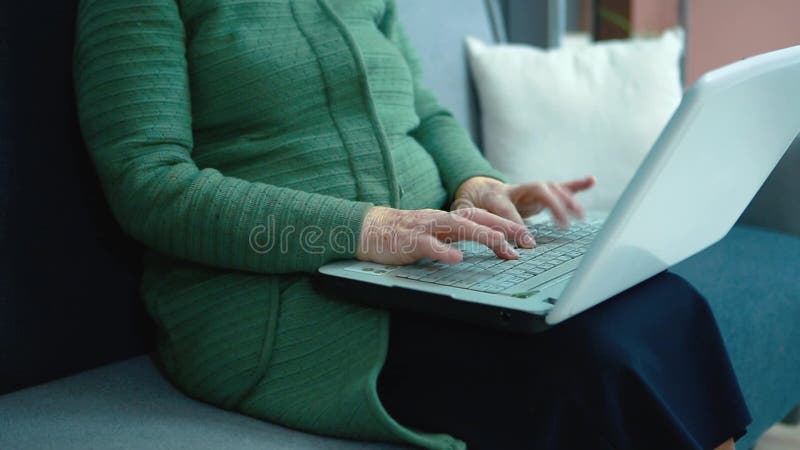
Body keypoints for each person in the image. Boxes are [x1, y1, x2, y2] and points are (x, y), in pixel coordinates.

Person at [73, 0, 750, 448]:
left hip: (432, 257)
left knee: (664, 304)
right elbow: (148, 184)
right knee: (595, 362)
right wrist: (367, 230)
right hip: (273, 294)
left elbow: (423, 111)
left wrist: (477, 182)